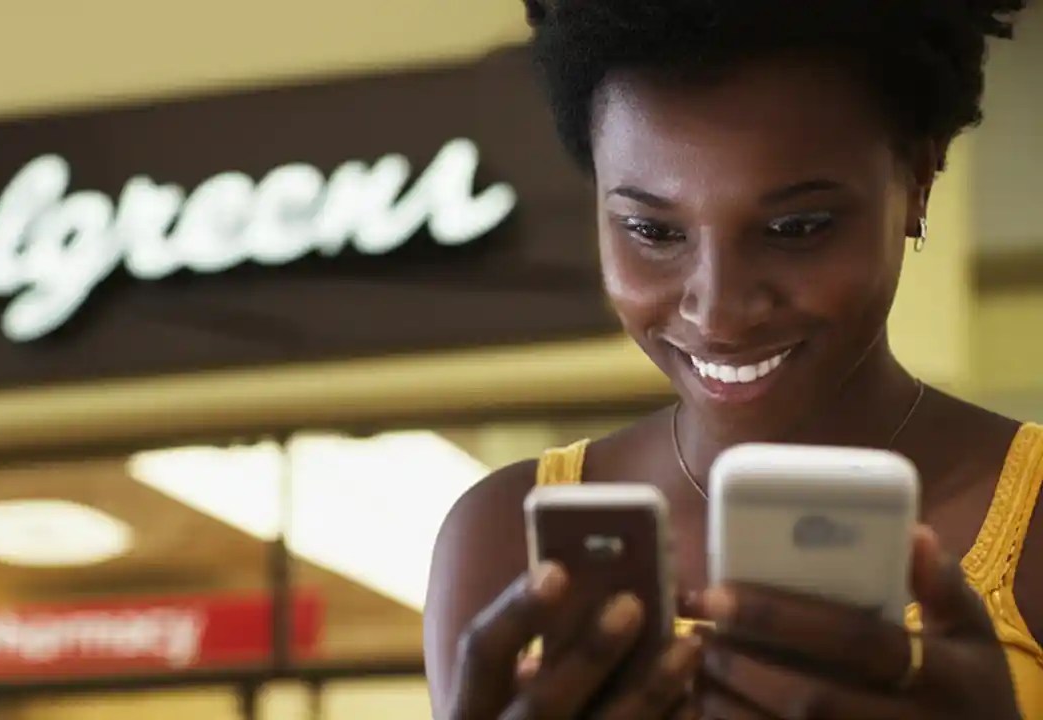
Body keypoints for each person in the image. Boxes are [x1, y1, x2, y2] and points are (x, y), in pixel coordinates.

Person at [423, 0, 1041, 717]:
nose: (716, 310)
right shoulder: (503, 535)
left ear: (921, 176)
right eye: (652, 229)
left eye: (795, 227)